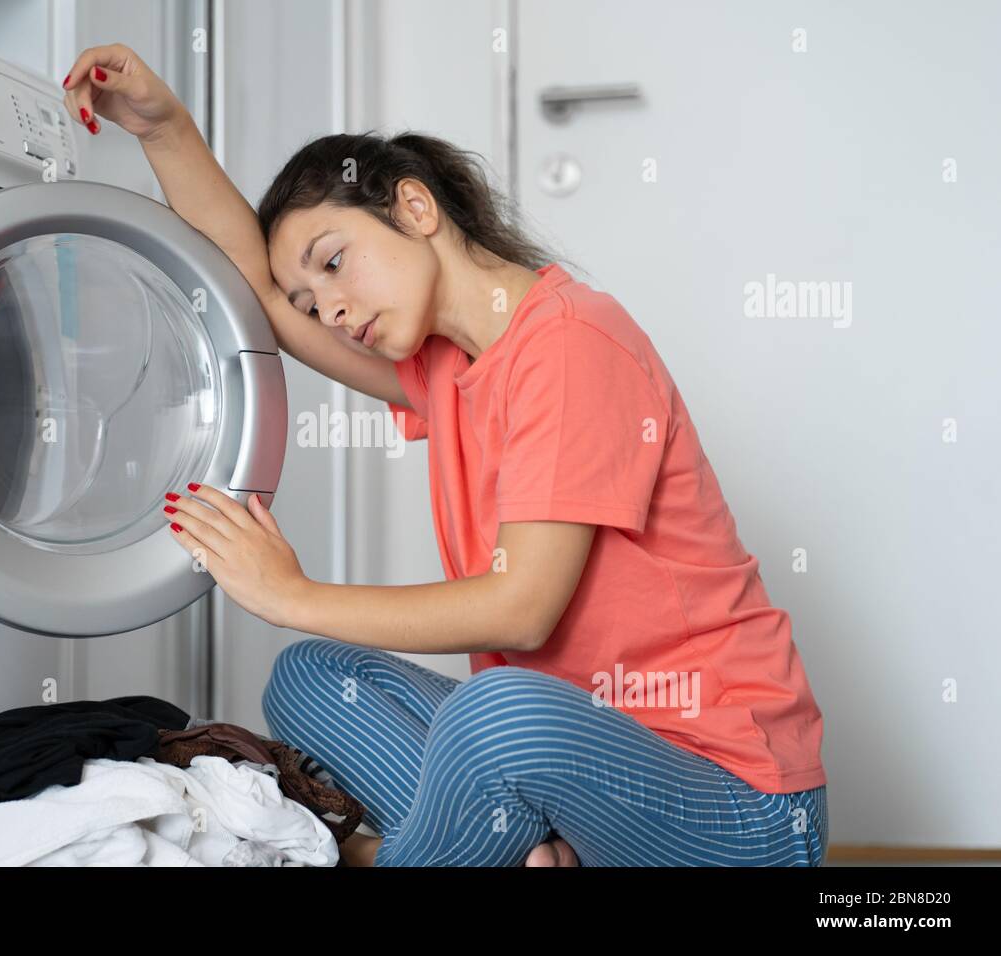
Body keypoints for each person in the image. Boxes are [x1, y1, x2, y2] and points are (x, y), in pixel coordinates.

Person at [59, 44, 829, 867]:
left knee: (496, 712)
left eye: (334, 261)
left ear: (416, 209)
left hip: (743, 812)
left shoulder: (572, 345)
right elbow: (252, 285)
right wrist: (164, 127)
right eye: (314, 300)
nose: (333, 308)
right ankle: (521, 850)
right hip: (576, 779)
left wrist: (292, 592)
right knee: (310, 678)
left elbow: (522, 608)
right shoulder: (446, 365)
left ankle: (392, 858)